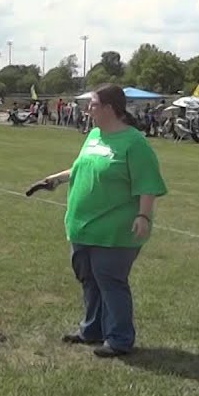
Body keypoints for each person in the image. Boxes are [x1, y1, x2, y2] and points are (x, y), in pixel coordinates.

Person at [28, 84, 168, 358]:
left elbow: (147, 183)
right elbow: (80, 165)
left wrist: (143, 216)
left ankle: (119, 339)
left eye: (92, 104)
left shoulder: (134, 143)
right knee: (88, 279)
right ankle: (91, 329)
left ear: (109, 108)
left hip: (115, 229)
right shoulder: (93, 135)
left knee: (110, 281)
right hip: (83, 225)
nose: (86, 109)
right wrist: (55, 179)